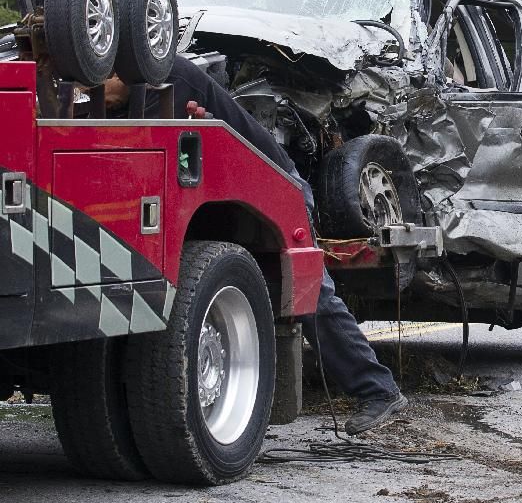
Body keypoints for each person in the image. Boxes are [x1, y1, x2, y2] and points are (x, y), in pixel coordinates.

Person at [106, 57, 408, 435]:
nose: (99, 89)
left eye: (103, 79)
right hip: (237, 196)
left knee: (310, 295)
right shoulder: (148, 77)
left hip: (277, 186)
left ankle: (379, 391)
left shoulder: (165, 75)